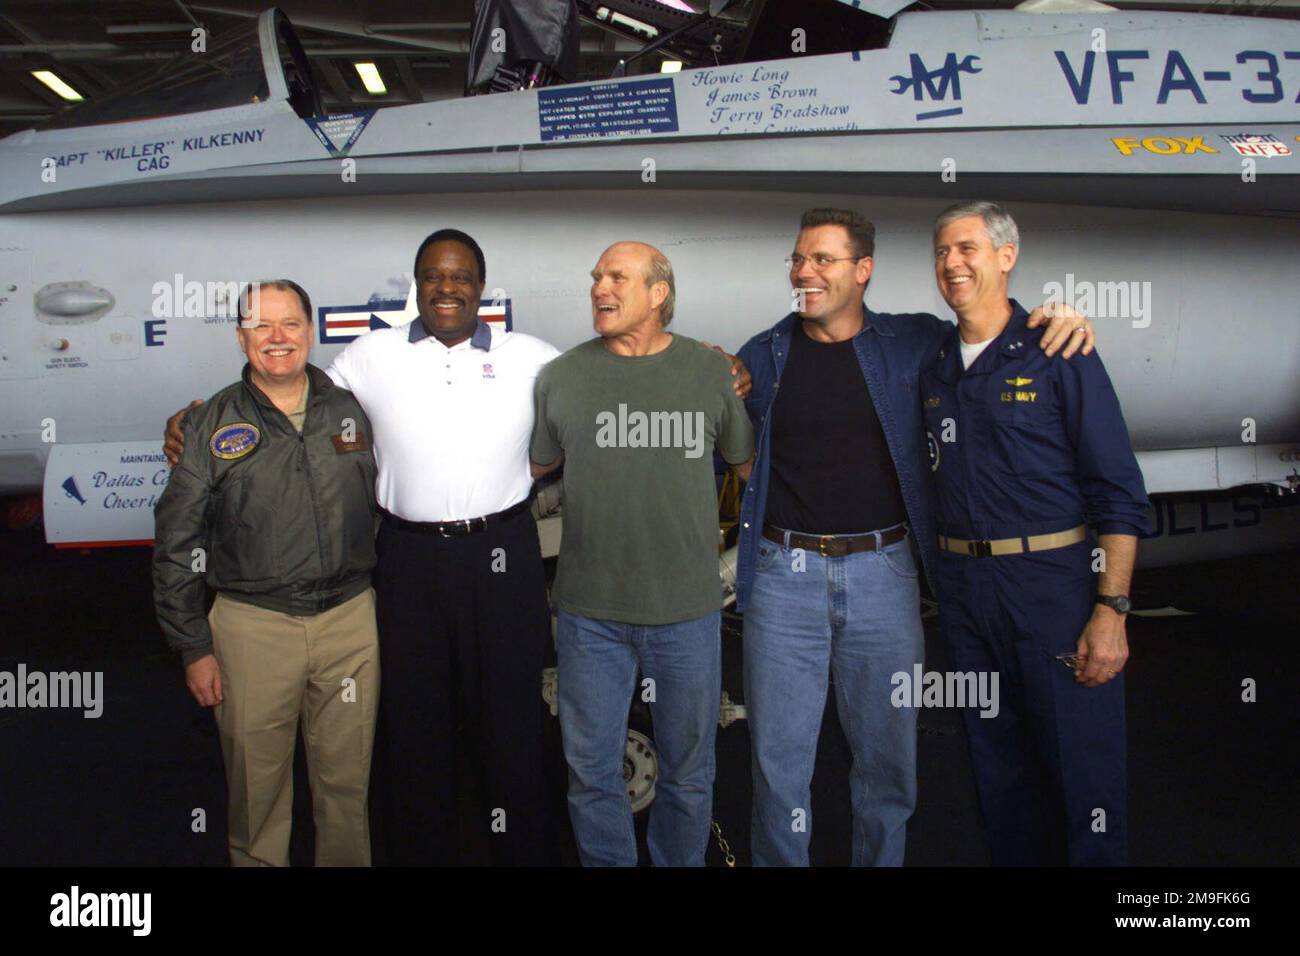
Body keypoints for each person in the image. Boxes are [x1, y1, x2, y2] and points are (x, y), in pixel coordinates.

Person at [732, 208, 1095, 867]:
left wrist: (1056, 317)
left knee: (887, 763)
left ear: (863, 271)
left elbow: (990, 329)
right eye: (798, 259)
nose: (804, 272)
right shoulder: (766, 352)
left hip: (884, 575)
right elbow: (728, 443)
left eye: (822, 260)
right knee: (778, 766)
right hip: (784, 576)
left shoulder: (914, 342)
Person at [921, 201, 1149, 865]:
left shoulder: (1059, 350)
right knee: (998, 773)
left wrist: (1112, 610)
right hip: (965, 593)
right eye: (942, 252)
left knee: (1083, 772)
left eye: (966, 248)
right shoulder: (934, 362)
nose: (952, 263)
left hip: (1051, 590)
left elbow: (1118, 493)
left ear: (1005, 256)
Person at [530, 241, 755, 866]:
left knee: (689, 772)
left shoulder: (709, 372)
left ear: (659, 293)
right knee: (591, 772)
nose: (600, 286)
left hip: (687, 614)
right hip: (589, 617)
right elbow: (535, 466)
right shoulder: (562, 377)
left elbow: (748, 464)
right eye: (596, 275)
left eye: (617, 277)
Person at [153, 280, 380, 867]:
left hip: (350, 624)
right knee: (257, 800)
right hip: (254, 628)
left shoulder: (351, 406)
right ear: (241, 337)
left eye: (290, 324)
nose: (277, 339)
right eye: (261, 326)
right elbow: (177, 541)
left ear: (311, 330)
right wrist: (192, 645)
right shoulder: (210, 423)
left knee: (346, 792)